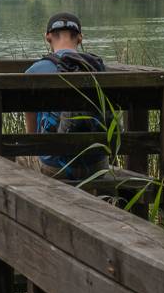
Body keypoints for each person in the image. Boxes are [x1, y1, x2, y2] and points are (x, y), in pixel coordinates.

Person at [20, 11, 113, 182]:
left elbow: (31, 132)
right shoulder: (99, 68)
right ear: (80, 38)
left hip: (54, 168)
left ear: (48, 37)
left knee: (19, 159)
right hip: (97, 167)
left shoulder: (34, 71)